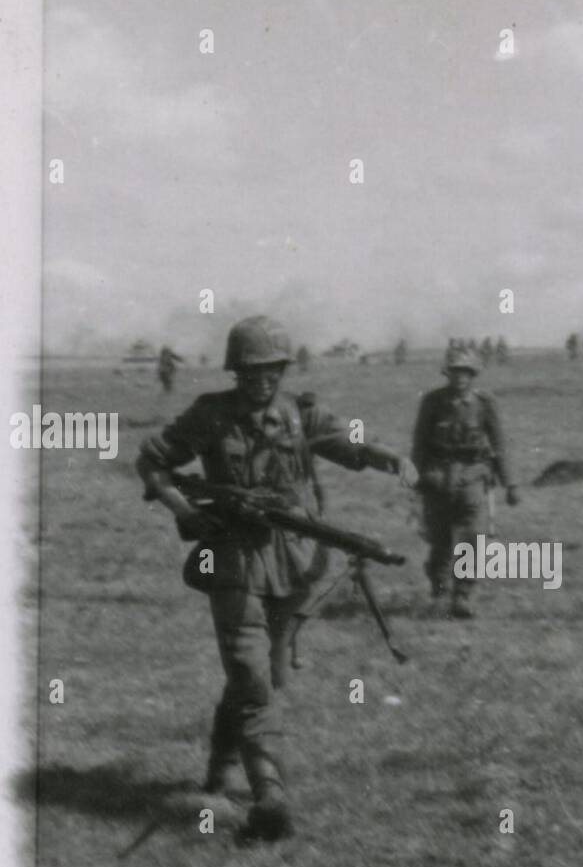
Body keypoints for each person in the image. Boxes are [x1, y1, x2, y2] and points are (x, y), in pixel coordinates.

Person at [135, 315, 416, 840]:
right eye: (253, 369)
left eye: (273, 369)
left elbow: (347, 443)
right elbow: (152, 462)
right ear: (236, 370)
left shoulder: (297, 414)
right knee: (251, 673)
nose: (264, 378)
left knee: (261, 672)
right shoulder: (211, 415)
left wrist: (390, 458)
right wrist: (185, 510)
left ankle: (219, 770)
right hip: (234, 560)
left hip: (294, 561)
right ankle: (269, 792)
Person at [411, 345, 518, 618]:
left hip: (473, 476)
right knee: (440, 540)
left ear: (473, 375)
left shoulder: (485, 404)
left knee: (472, 539)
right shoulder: (433, 402)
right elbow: (420, 443)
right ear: (447, 373)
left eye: (465, 372)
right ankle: (439, 585)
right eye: (455, 372)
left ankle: (463, 596)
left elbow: (500, 444)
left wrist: (510, 483)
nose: (460, 377)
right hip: (438, 477)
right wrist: (415, 479)